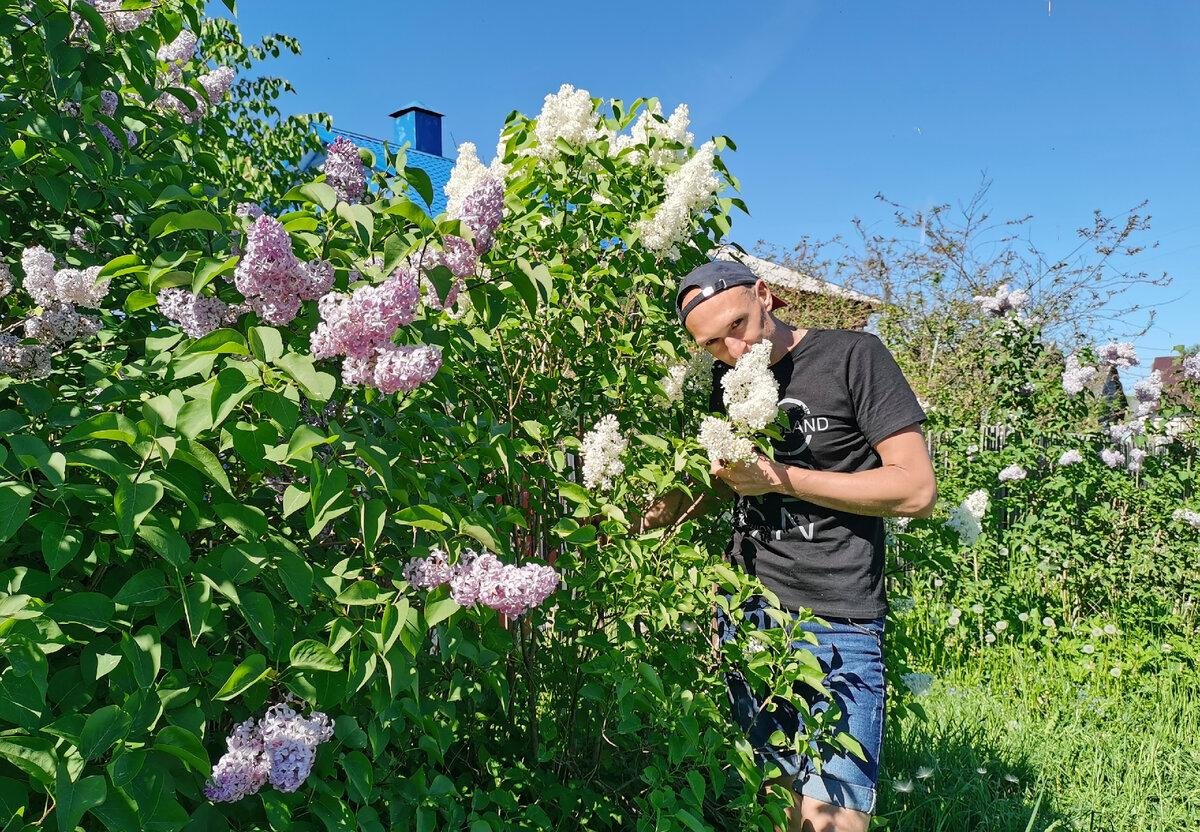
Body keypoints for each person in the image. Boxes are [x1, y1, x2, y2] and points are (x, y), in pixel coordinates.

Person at [635, 259, 936, 832]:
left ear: (766, 295)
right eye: (712, 344)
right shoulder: (724, 384)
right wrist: (653, 509)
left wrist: (783, 478)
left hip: (841, 615)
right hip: (751, 612)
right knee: (773, 800)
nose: (732, 349)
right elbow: (716, 481)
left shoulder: (854, 357)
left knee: (835, 819)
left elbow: (915, 489)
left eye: (739, 325)